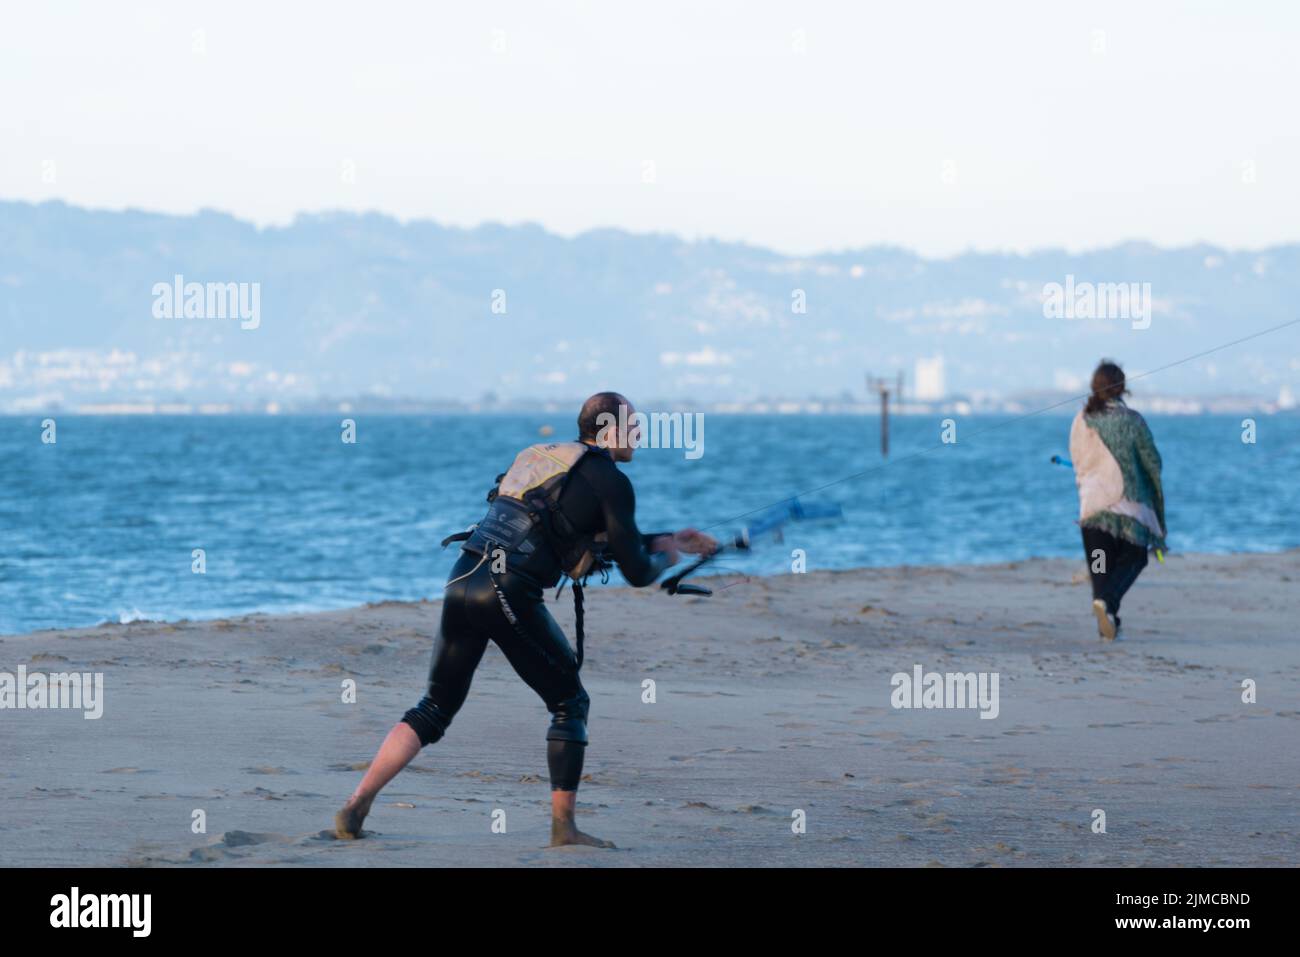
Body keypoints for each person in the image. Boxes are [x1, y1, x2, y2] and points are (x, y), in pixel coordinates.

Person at [334, 392, 717, 847]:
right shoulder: (611, 481)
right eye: (634, 425)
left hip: (464, 578)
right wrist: (666, 558)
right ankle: (564, 829)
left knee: (434, 707)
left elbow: (593, 539)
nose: (640, 434)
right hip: (506, 590)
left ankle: (357, 803)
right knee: (570, 704)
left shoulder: (546, 459)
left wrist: (671, 540)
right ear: (610, 430)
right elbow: (635, 572)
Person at [1068, 360, 1167, 640]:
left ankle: (1108, 613)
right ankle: (1108, 606)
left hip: (1091, 506)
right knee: (1135, 558)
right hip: (1128, 508)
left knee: (1100, 564)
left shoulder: (1080, 419)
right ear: (1122, 388)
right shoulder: (1132, 420)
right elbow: (1152, 462)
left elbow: (1077, 461)